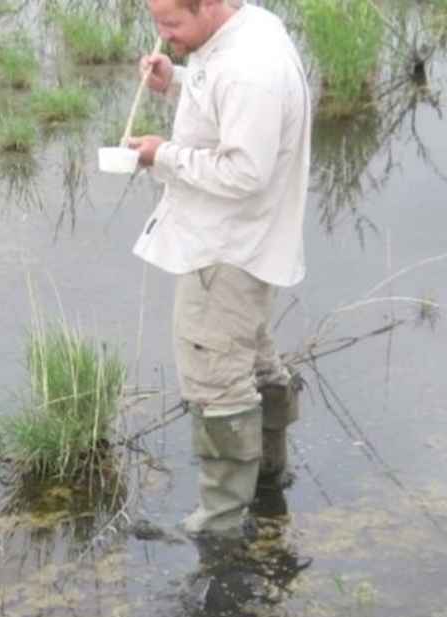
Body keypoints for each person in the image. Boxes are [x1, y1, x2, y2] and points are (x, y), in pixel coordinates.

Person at [127, 0, 311, 537]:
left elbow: (245, 173)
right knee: (252, 359)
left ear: (208, 4)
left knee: (216, 381)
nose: (162, 34)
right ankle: (269, 478)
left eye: (172, 23)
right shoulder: (251, 26)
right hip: (257, 245)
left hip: (227, 250)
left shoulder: (248, 69)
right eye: (156, 21)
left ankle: (221, 523)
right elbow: (230, 99)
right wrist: (178, 81)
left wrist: (162, 155)